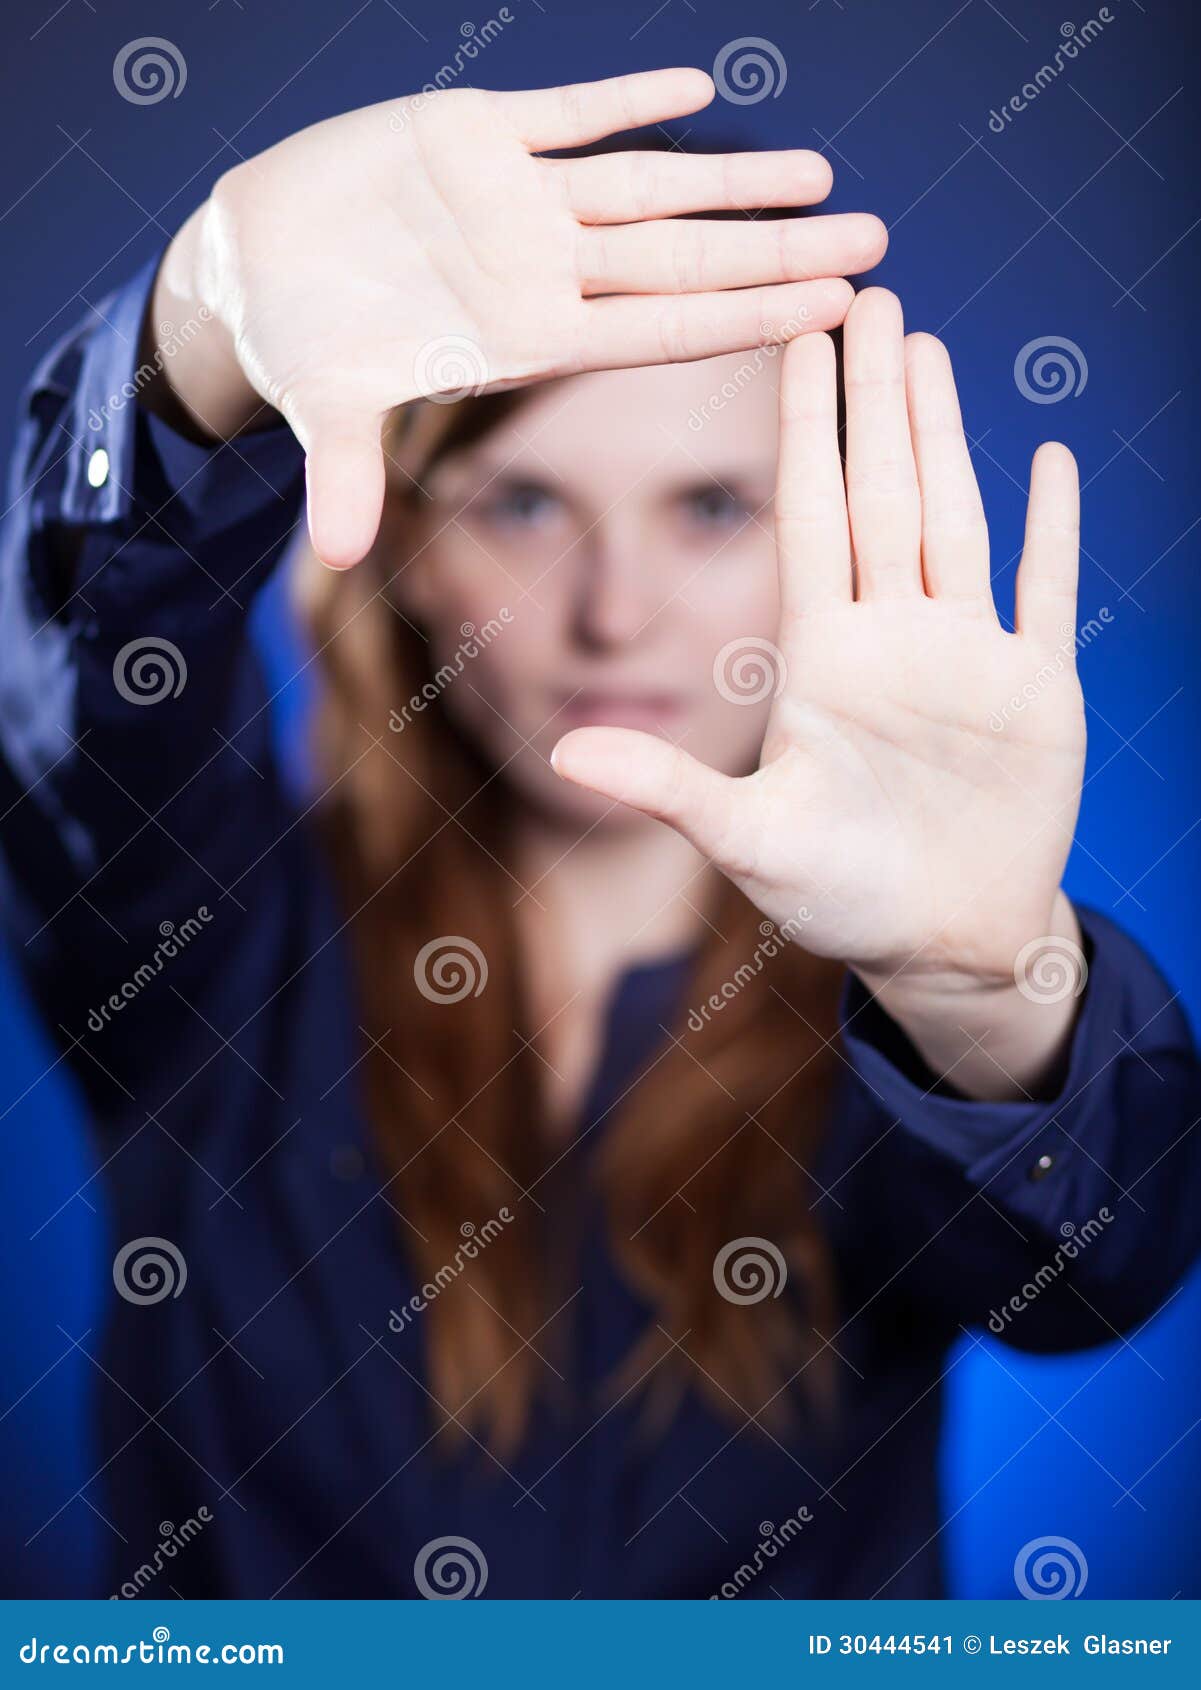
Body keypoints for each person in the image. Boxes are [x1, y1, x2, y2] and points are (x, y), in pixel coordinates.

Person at [0, 68, 1197, 1601]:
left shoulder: (876, 1022)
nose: (612, 610)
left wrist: (979, 990)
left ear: (824, 526)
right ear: (403, 546)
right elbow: (82, 692)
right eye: (519, 504)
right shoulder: (204, 933)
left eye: (708, 507)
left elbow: (1089, 1268)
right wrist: (202, 335)